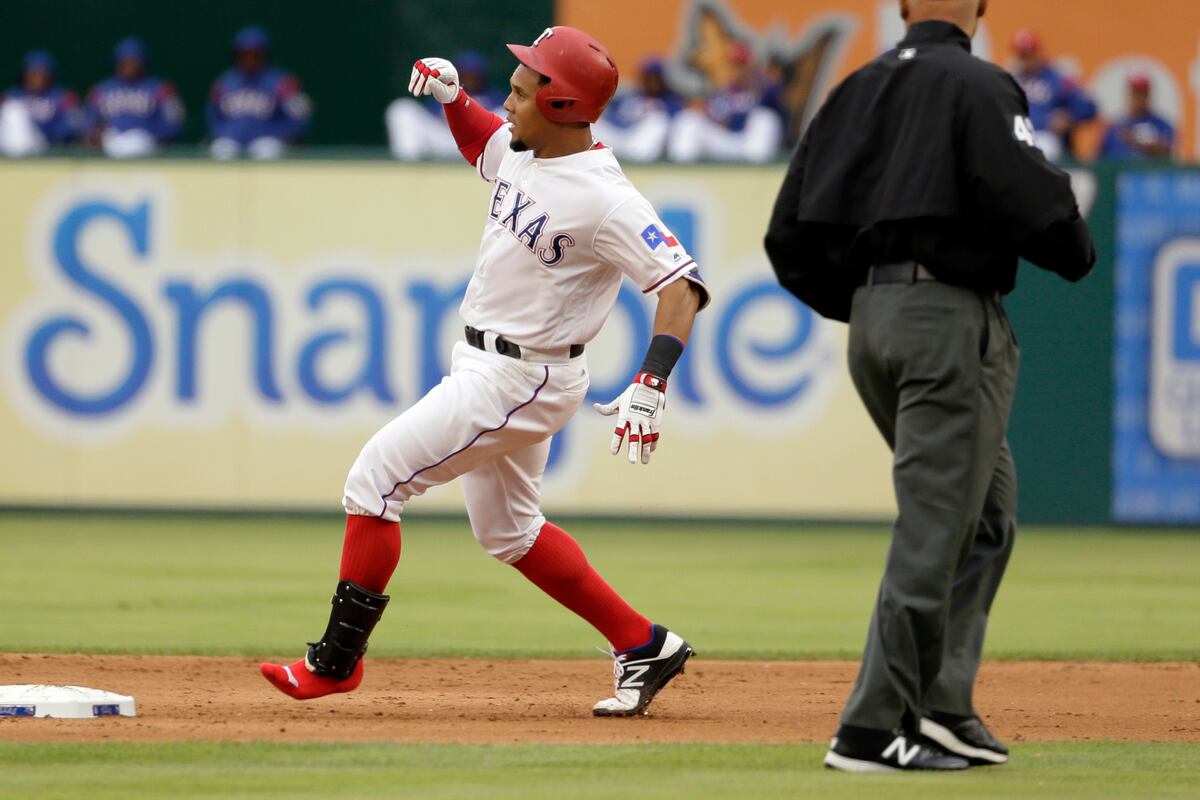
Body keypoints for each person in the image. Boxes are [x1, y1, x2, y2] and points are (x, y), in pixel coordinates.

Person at [260, 26, 708, 718]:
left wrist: (651, 381)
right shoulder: (530, 149)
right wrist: (452, 98)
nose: (508, 99)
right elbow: (485, 146)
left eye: (523, 91)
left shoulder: (605, 196)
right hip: (490, 361)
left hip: (521, 378)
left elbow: (682, 285)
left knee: (374, 481)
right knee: (510, 532)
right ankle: (642, 641)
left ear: (563, 108)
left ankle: (334, 663)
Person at [765, 0, 1094, 772]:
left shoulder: (854, 89)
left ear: (904, 7)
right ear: (979, 8)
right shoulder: (980, 85)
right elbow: (1038, 201)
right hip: (945, 318)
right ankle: (872, 729)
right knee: (938, 526)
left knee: (985, 515)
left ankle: (941, 706)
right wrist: (1074, 249)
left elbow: (788, 234)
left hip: (874, 320)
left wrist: (871, 304)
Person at [206, 27, 312, 159]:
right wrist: (223, 133)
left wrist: (282, 136)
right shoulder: (225, 83)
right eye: (245, 54)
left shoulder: (281, 83)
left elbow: (300, 117)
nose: (250, 59)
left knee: (265, 149)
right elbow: (213, 117)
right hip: (231, 141)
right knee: (221, 148)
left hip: (267, 141)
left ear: (264, 54)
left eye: (255, 54)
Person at [669, 41, 783, 163]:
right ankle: (681, 171)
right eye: (733, 64)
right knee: (688, 120)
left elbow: (778, 101)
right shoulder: (719, 92)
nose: (736, 69)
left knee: (765, 118)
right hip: (723, 141)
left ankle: (757, 174)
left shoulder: (763, 89)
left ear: (750, 67)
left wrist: (758, 84)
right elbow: (713, 117)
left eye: (741, 64)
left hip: (748, 143)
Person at [386, 51, 504, 160]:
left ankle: (498, 165)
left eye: (473, 75)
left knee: (505, 115)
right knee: (402, 109)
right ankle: (408, 164)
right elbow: (434, 114)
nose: (469, 79)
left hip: (478, 145)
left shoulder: (492, 95)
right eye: (464, 74)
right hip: (443, 138)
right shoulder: (443, 88)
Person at [85, 38, 184, 159]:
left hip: (146, 145)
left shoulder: (160, 89)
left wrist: (157, 137)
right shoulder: (101, 90)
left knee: (136, 142)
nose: (129, 65)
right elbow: (88, 122)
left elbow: (174, 121)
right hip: (110, 146)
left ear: (142, 61)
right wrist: (94, 135)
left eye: (133, 61)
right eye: (125, 61)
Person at [1009, 29, 1096, 161]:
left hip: (1049, 140)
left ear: (1039, 53)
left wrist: (1070, 117)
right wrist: (1045, 121)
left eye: (1029, 55)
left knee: (1045, 144)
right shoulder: (1010, 82)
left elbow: (1090, 108)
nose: (1026, 61)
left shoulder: (1059, 80)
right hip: (1018, 137)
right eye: (1022, 56)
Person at [592, 57, 682, 162]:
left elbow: (673, 126)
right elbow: (612, 115)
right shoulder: (630, 95)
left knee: (658, 120)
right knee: (591, 122)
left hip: (638, 142)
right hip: (617, 136)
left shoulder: (670, 101)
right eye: (648, 78)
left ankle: (637, 163)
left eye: (656, 78)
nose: (652, 82)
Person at [0, 51, 80, 156]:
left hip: (45, 145)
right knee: (12, 110)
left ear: (50, 74)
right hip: (9, 145)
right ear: (24, 74)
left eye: (41, 73)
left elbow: (71, 127)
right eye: (33, 73)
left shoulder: (61, 97)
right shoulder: (11, 96)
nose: (37, 77)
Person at [1098, 72, 1174, 161]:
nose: (1139, 98)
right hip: (1120, 172)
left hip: (1148, 173)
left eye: (1143, 94)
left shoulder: (1161, 124)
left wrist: (1136, 141)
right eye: (1135, 93)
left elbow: (1166, 151)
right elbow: (1099, 159)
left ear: (1148, 95)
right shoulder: (1114, 127)